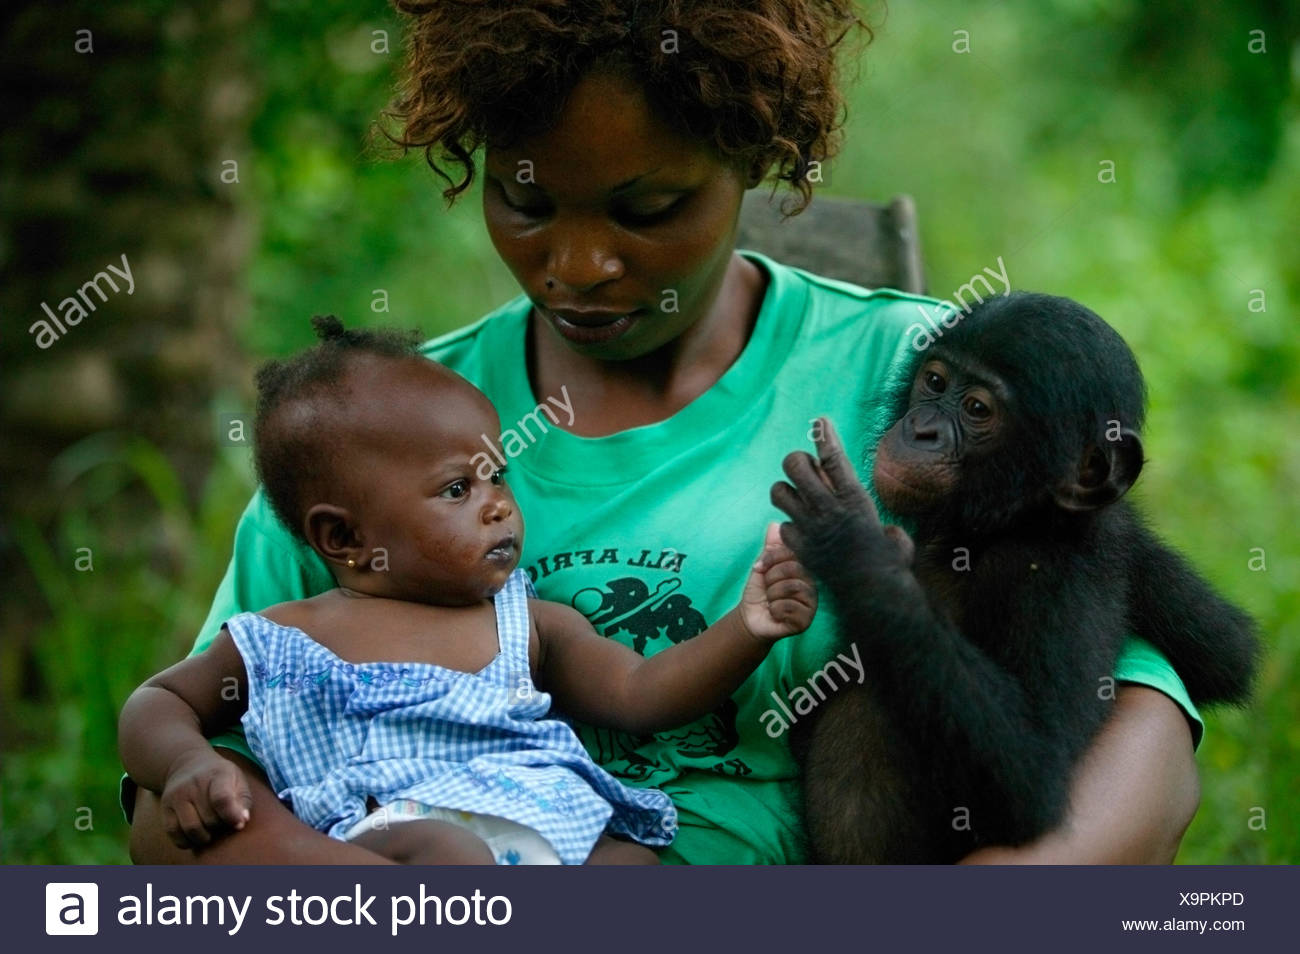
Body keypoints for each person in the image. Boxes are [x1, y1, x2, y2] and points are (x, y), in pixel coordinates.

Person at [125, 0, 1203, 865]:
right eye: (526, 202)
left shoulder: (921, 377)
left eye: (646, 212)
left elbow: (1137, 703)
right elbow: (181, 780)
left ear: (755, 166)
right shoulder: (371, 429)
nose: (579, 265)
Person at [118, 317, 817, 865]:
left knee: (633, 861)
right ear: (343, 539)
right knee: (448, 857)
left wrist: (748, 626)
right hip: (401, 843)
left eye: (497, 476)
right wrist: (188, 762)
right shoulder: (279, 638)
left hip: (553, 839)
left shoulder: (527, 623)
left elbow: (644, 694)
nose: (498, 506)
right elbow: (159, 700)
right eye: (458, 488)